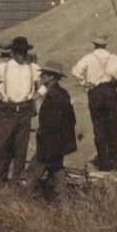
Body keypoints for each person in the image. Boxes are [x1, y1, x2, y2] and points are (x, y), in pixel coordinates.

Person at [0, 35, 42, 184]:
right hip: (7, 111)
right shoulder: (3, 67)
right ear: (12, 53)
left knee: (21, 148)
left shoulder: (32, 68)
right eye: (19, 52)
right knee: (0, 146)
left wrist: (37, 94)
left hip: (25, 110)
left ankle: (17, 180)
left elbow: (45, 82)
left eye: (24, 52)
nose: (22, 56)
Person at [72, 32, 117, 171]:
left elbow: (75, 71)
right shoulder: (114, 57)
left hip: (95, 92)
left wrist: (84, 82)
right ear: (106, 43)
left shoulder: (88, 58)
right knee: (113, 127)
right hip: (111, 92)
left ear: (94, 43)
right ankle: (115, 162)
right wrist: (116, 80)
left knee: (99, 127)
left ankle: (104, 162)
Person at [32, 60, 79, 201]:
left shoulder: (53, 96)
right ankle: (60, 200)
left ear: (51, 77)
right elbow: (72, 119)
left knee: (35, 170)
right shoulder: (62, 93)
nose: (40, 78)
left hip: (50, 141)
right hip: (59, 142)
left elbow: (52, 123)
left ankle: (22, 199)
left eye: (43, 75)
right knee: (56, 169)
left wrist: (41, 133)